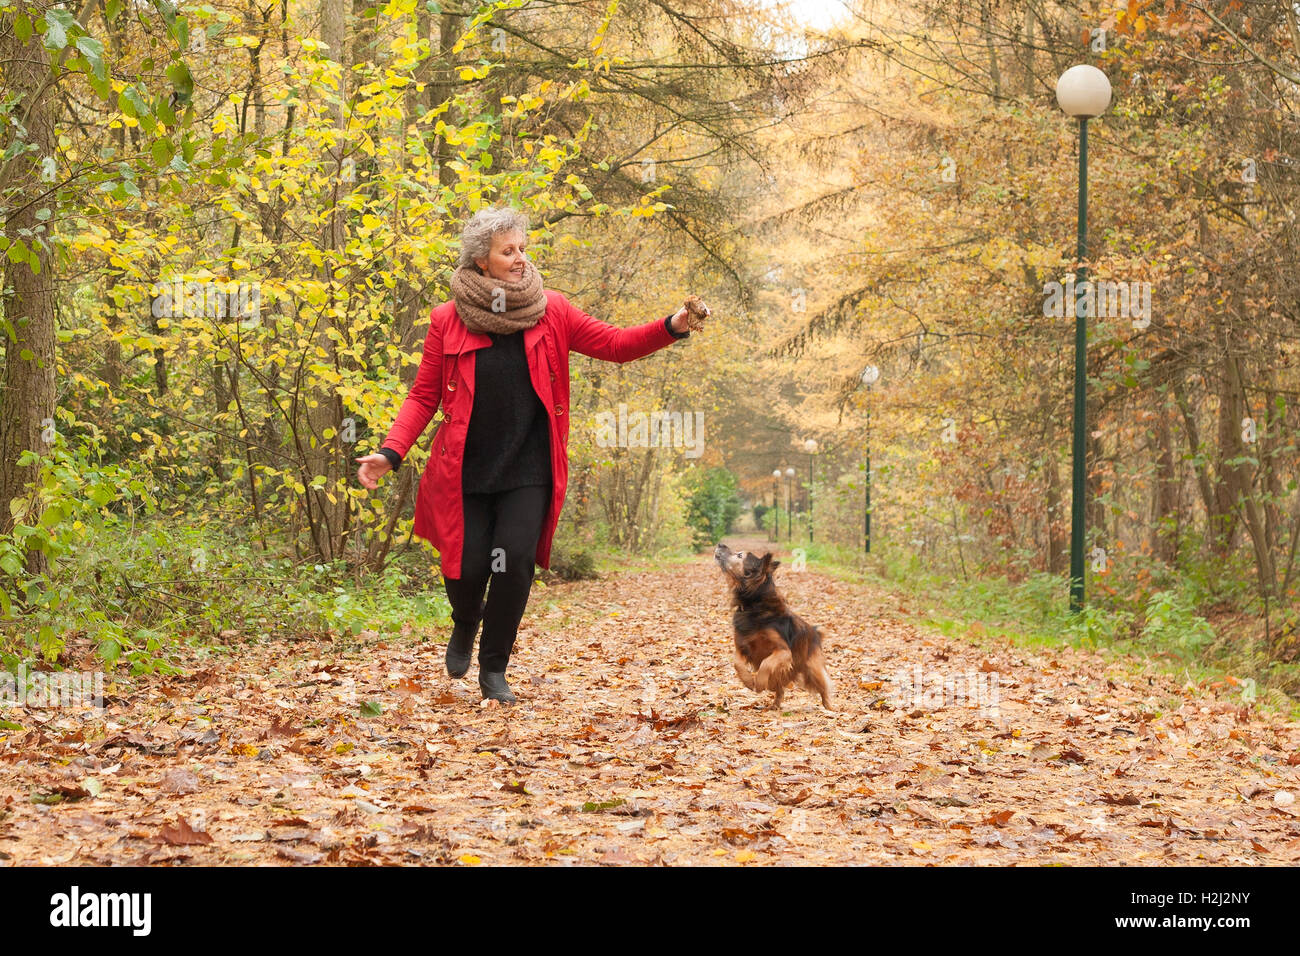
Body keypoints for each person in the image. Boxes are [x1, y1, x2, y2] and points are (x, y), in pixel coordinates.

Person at [355, 205, 697, 703]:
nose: (519, 259)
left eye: (521, 249)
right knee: (469, 566)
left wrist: (672, 324)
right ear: (480, 264)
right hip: (465, 468)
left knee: (512, 562)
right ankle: (465, 620)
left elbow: (615, 344)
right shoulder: (447, 321)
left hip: (529, 466)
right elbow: (424, 396)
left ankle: (494, 667)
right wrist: (391, 452)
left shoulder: (551, 309)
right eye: (507, 252)